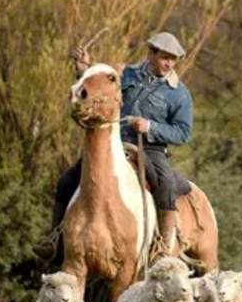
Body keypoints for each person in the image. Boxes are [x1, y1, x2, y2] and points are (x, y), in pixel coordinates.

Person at [52, 32, 194, 253]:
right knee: (67, 180)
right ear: (151, 54)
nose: (169, 63)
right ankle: (55, 242)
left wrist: (150, 127)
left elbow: (183, 132)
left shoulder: (180, 94)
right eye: (164, 57)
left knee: (166, 183)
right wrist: (85, 67)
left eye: (173, 59)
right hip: (113, 142)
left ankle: (164, 249)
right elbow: (99, 89)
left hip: (151, 149)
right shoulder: (126, 74)